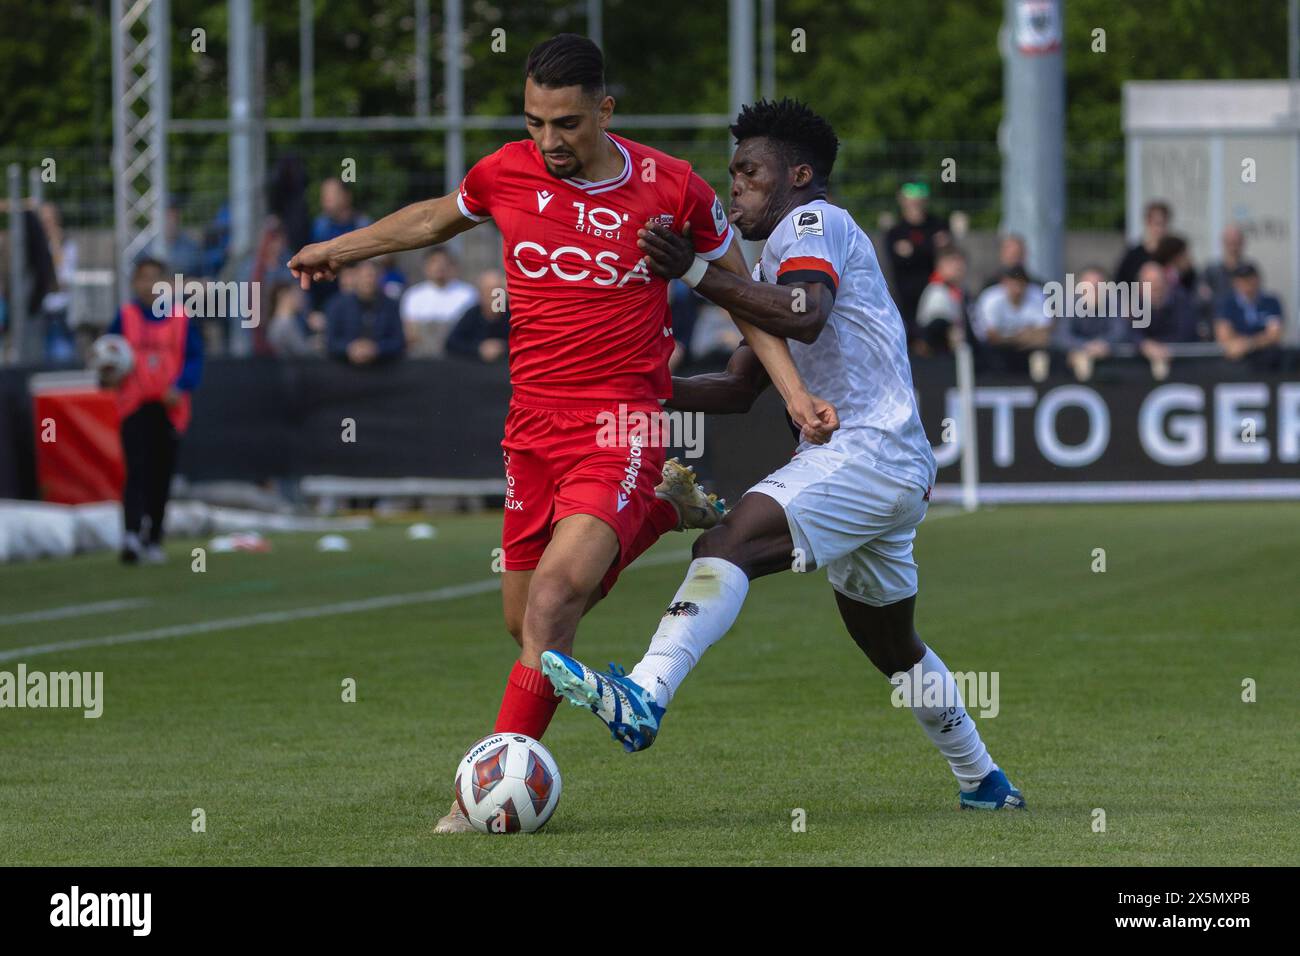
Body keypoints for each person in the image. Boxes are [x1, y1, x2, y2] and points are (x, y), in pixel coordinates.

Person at [287, 35, 835, 834]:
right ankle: (659, 512)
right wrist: (339, 249)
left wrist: (795, 396)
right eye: (536, 121)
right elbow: (437, 217)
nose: (549, 142)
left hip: (622, 424)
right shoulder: (505, 171)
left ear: (605, 110)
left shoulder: (671, 188)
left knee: (551, 606)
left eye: (568, 124)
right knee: (529, 629)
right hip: (531, 429)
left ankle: (480, 801)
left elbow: (743, 300)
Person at [541, 98, 1025, 811]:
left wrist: (697, 273)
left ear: (799, 175)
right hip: (891, 465)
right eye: (732, 172)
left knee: (726, 542)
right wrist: (633, 390)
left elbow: (806, 312)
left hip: (867, 450)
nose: (734, 185)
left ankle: (645, 692)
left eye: (750, 171)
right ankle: (984, 780)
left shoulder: (812, 222)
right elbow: (740, 389)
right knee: (893, 647)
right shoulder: (784, 255)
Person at [103, 258, 204, 564]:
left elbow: (194, 358)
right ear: (134, 283)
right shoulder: (126, 317)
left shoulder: (180, 318)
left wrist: (181, 385)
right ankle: (131, 533)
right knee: (136, 470)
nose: (149, 286)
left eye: (155, 279)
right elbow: (107, 353)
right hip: (134, 405)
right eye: (143, 279)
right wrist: (106, 370)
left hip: (169, 407)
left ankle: (154, 535)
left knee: (162, 473)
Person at [885, 181, 949, 343]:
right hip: (906, 298)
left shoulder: (938, 224)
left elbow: (947, 254)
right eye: (911, 198)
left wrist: (912, 249)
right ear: (901, 200)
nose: (915, 202)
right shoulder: (895, 231)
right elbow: (896, 260)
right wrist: (930, 245)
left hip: (935, 294)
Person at [970, 265, 1051, 376]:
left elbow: (1043, 337)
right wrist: (1023, 337)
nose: (1017, 289)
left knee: (1040, 358)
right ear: (1004, 283)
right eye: (1013, 284)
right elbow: (991, 337)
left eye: (1021, 284)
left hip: (1025, 352)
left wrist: (1007, 338)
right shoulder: (991, 299)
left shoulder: (1037, 296)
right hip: (995, 352)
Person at [1053, 266, 1130, 382]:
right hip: (1074, 357)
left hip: (1107, 357)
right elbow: (1061, 335)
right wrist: (1085, 346)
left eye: (1098, 287)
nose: (1093, 292)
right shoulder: (1068, 304)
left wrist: (1103, 344)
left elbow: (1120, 332)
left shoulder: (1114, 303)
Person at [399, 248, 479, 357]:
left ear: (452, 266)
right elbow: (409, 332)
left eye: (444, 262)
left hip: (458, 356)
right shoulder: (413, 295)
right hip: (423, 357)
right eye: (434, 262)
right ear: (425, 267)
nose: (439, 267)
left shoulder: (468, 294)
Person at [1130, 260, 1201, 381]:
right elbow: (1131, 332)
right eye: (1148, 283)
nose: (1154, 287)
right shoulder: (1137, 306)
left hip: (1185, 369)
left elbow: (1186, 332)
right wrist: (1145, 345)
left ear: (1165, 283)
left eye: (1157, 282)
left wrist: (1160, 350)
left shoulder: (1181, 301)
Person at [325, 260, 405, 366]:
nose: (368, 280)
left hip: (383, 369)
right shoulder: (337, 304)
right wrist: (350, 348)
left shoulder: (391, 305)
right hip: (344, 367)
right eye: (364, 276)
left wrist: (376, 349)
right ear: (356, 277)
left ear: (380, 278)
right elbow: (330, 341)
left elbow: (398, 341)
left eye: (372, 276)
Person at [1214, 264, 1283, 367]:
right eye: (1242, 280)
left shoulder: (1271, 302)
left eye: (1250, 278)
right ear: (1235, 282)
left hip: (1269, 363)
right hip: (1235, 364)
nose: (1247, 283)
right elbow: (1223, 334)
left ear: (1258, 279)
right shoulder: (1227, 303)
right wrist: (1236, 344)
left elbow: (1274, 334)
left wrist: (1249, 344)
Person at [914, 246, 969, 355]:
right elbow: (936, 329)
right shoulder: (937, 291)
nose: (958, 266)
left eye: (960, 262)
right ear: (940, 266)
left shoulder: (959, 293)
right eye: (952, 262)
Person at [446, 269, 510, 362]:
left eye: (499, 290)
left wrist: (503, 347)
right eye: (489, 290)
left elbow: (527, 342)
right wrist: (479, 348)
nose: (494, 295)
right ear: (480, 293)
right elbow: (452, 343)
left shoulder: (514, 315)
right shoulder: (472, 314)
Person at [1115, 200, 1169, 286]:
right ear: (1148, 223)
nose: (1160, 229)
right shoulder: (1134, 255)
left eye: (1164, 224)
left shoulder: (1172, 255)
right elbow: (1120, 284)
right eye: (1157, 224)